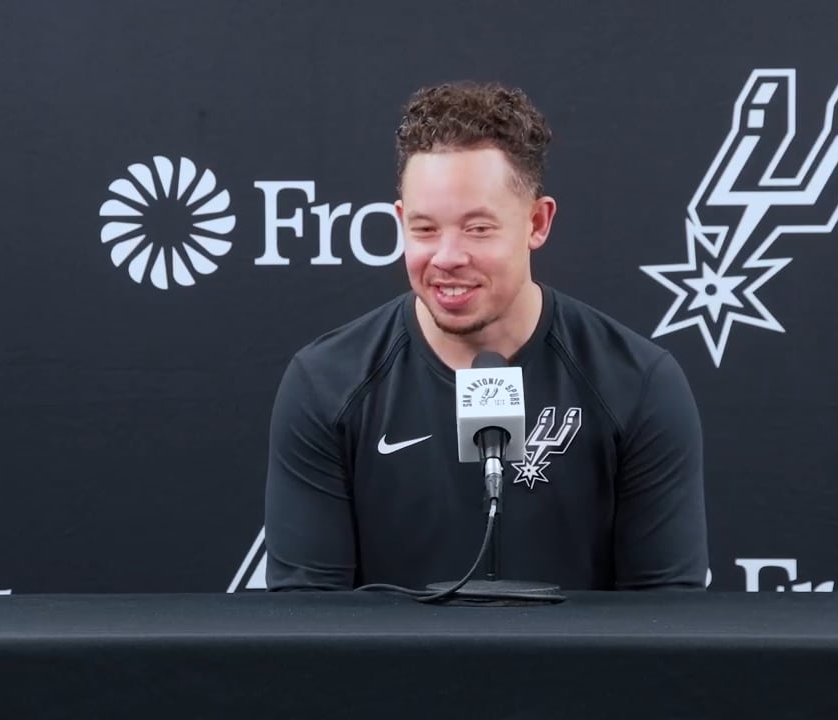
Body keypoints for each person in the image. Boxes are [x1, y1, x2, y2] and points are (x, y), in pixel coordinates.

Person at [263, 81, 707, 591]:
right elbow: (307, 622)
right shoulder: (325, 383)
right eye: (426, 229)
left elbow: (667, 619)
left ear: (537, 223)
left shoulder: (638, 383)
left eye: (478, 228)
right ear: (401, 222)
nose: (447, 256)